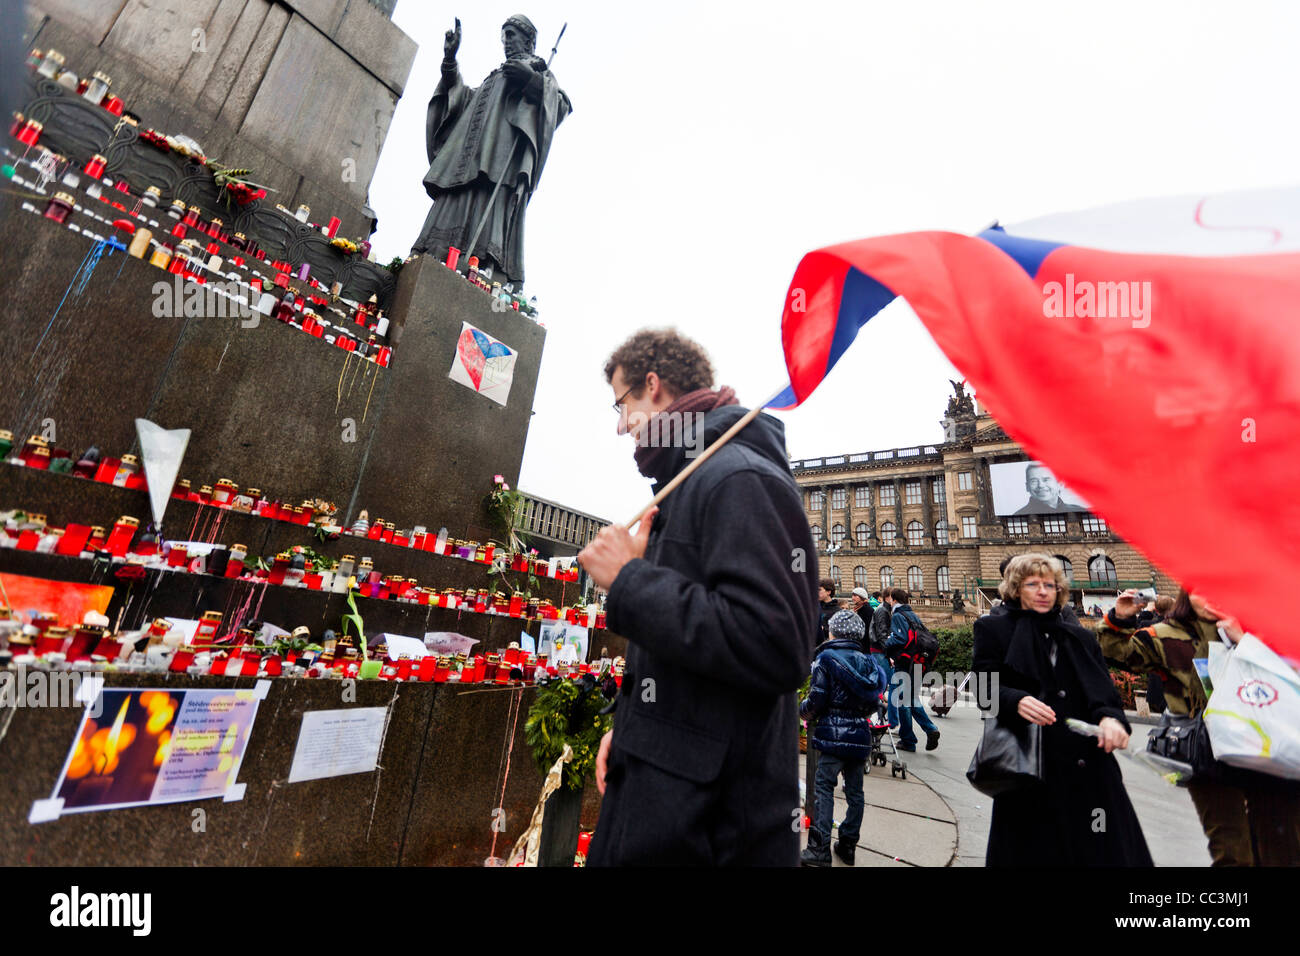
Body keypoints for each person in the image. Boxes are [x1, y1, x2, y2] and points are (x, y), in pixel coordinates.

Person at [579, 328, 817, 866]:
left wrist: (629, 579)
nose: (620, 426)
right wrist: (635, 724)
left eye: (622, 404)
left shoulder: (739, 477)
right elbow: (687, 652)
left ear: (654, 385)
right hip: (670, 801)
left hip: (711, 832)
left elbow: (775, 642)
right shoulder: (690, 478)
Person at [1098, 588, 1300, 865]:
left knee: (1281, 845)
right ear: (1186, 595)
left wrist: (1244, 640)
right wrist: (1118, 619)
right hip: (1205, 753)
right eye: (1202, 591)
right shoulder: (1166, 635)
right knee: (1232, 849)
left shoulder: (1259, 631)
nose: (1213, 598)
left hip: (1263, 749)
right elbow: (1116, 654)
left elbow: (1289, 678)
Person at [973, 553, 1152, 866]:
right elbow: (983, 690)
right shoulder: (993, 629)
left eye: (1050, 585)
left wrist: (1111, 719)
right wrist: (1016, 699)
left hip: (1089, 768)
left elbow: (1102, 691)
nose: (1043, 591)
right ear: (1016, 588)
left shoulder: (1078, 634)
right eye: (1033, 584)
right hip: (1031, 768)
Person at [411, 15, 572, 285]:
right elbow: (462, 103)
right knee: (444, 221)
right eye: (503, 36)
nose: (505, 42)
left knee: (485, 231)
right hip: (463, 167)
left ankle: (481, 270)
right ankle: (434, 257)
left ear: (529, 40)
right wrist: (450, 62)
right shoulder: (494, 77)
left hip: (497, 172)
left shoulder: (537, 69)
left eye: (511, 35)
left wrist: (531, 82)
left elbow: (560, 105)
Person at [799, 610, 883, 867]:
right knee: (855, 792)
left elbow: (817, 697)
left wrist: (803, 710)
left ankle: (819, 849)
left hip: (832, 734)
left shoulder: (826, 657)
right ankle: (848, 845)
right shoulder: (868, 662)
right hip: (859, 734)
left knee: (823, 789)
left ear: (833, 631)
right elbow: (873, 702)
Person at [884, 588, 940, 752]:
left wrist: (886, 643)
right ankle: (929, 730)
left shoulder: (898, 615)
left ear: (893, 599)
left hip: (905, 663)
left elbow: (899, 638)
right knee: (908, 699)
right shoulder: (912, 614)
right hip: (918, 662)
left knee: (902, 701)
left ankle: (910, 739)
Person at [869, 590, 899, 726]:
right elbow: (882, 634)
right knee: (884, 686)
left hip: (881, 651)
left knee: (887, 686)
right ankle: (880, 719)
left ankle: (889, 720)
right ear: (888, 597)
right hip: (880, 652)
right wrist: (889, 655)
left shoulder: (886, 609)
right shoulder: (883, 610)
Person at [1013, 463, 1087, 515]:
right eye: (1034, 481)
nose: (1041, 485)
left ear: (1060, 484)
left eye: (1046, 479)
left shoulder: (1080, 511)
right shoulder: (1019, 516)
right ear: (1027, 487)